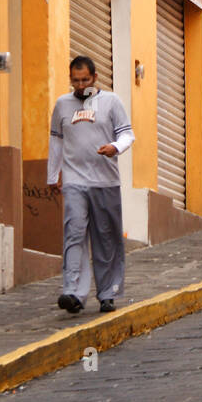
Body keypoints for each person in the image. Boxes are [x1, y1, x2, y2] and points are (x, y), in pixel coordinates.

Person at [47, 56, 135, 315]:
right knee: (74, 233)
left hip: (105, 181)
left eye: (85, 79)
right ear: (70, 79)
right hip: (74, 181)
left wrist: (115, 148)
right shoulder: (62, 105)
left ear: (95, 78)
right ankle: (73, 292)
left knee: (106, 237)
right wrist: (53, 175)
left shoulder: (111, 102)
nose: (80, 84)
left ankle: (108, 293)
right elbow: (56, 140)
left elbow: (127, 133)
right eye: (75, 80)